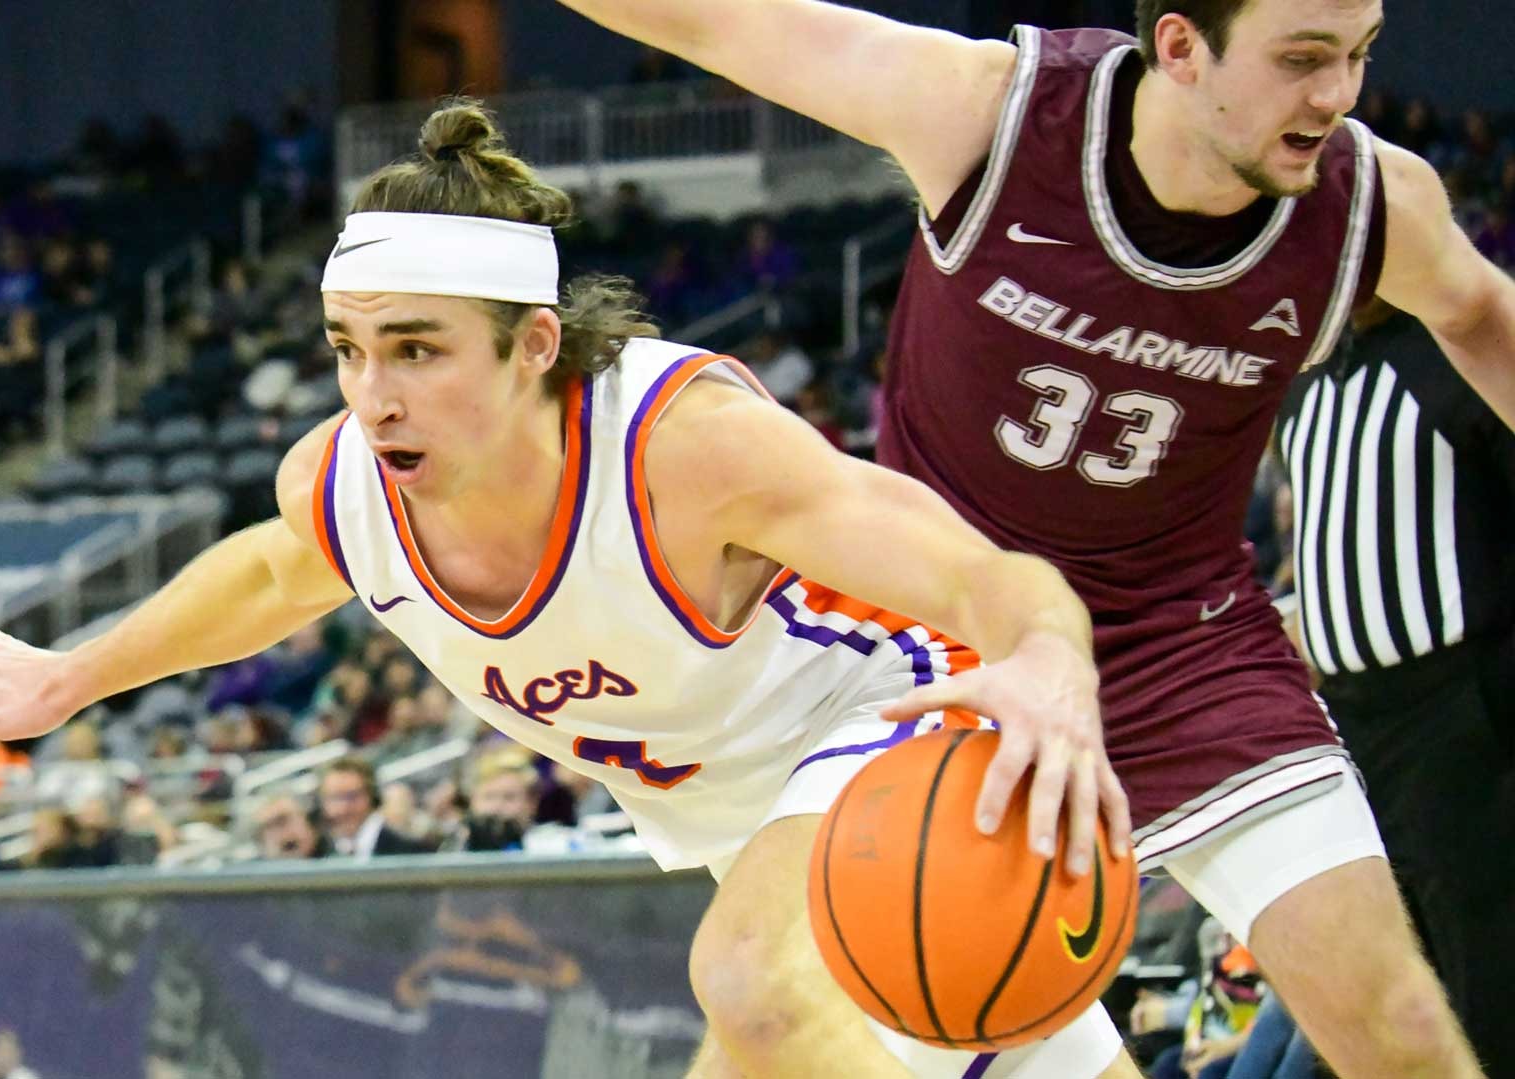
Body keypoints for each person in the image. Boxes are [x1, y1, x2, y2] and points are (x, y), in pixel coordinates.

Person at [0, 99, 1133, 1077]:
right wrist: (70, 675)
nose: (372, 392)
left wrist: (1049, 662)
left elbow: (974, 569)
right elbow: (270, 574)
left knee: (755, 985)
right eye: (348, 346)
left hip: (893, 727)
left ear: (535, 344)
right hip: (740, 818)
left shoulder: (682, 449)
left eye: (416, 347)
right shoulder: (344, 484)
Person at [550, 1, 1515, 1076]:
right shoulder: (993, 116)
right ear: (1184, 47)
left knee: (1403, 1030)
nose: (1339, 96)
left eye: (1359, 56)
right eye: (1302, 60)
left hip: (1183, 652)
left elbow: (1478, 312)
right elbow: (723, 26)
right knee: (770, 1003)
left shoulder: (1369, 201)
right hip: (940, 644)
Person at [1274, 298, 1515, 1074]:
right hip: (1348, 724)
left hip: (1461, 713)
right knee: (1376, 980)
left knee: (1484, 968)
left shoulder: (1465, 352)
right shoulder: (1306, 384)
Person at [315, 758, 436, 859]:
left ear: (372, 796)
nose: (343, 808)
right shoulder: (323, 853)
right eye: (334, 798)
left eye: (352, 796)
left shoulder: (411, 851)